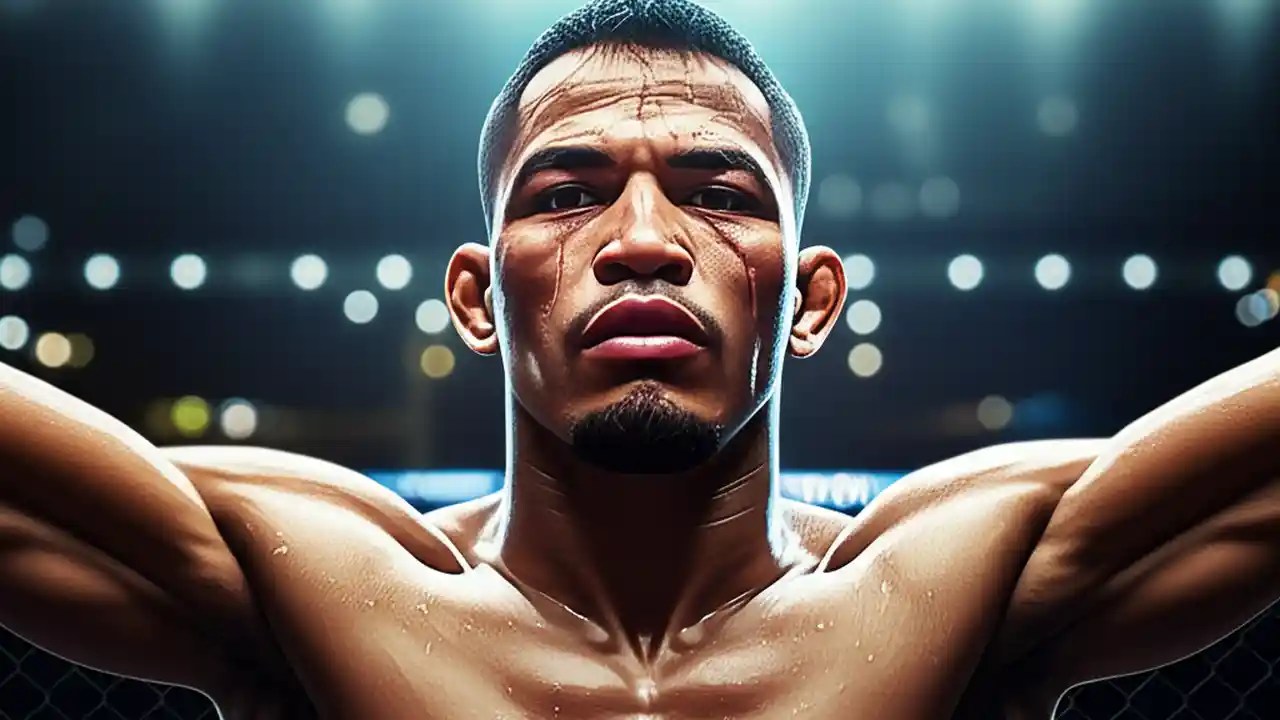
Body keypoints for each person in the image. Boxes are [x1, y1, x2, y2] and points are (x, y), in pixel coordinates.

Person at [2, 1, 1278, 717]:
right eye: (565, 192)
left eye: (719, 191)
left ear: (812, 296)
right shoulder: (308, 578)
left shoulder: (966, 574)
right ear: (476, 297)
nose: (643, 243)